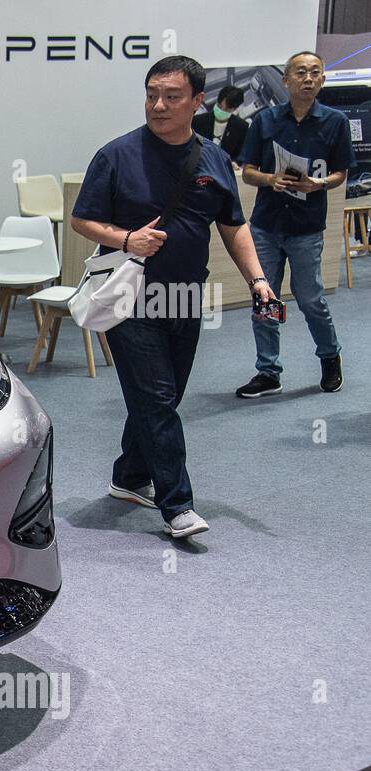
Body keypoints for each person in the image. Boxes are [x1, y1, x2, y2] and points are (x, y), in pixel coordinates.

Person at [70, 55, 277, 540]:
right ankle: (177, 505)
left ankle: (128, 477)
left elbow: (234, 226)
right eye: (151, 95)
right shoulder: (116, 155)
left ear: (197, 101)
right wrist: (125, 240)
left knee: (161, 396)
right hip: (129, 298)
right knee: (158, 398)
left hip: (185, 294)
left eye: (171, 96)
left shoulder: (213, 159)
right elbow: (83, 219)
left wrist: (258, 281)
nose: (158, 105)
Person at [235, 51, 353, 398]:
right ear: (286, 80)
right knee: (265, 298)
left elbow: (341, 172)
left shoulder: (335, 121)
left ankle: (330, 357)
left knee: (311, 298)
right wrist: (271, 179)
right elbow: (248, 170)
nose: (309, 79)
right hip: (267, 224)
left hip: (306, 226)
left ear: (322, 81)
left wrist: (319, 183)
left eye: (316, 73)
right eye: (301, 72)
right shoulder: (265, 120)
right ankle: (269, 371)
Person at [192, 85, 249, 162]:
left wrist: (234, 163)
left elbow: (240, 155)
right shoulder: (198, 121)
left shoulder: (241, 127)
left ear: (235, 109)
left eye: (227, 109)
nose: (221, 110)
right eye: (219, 105)